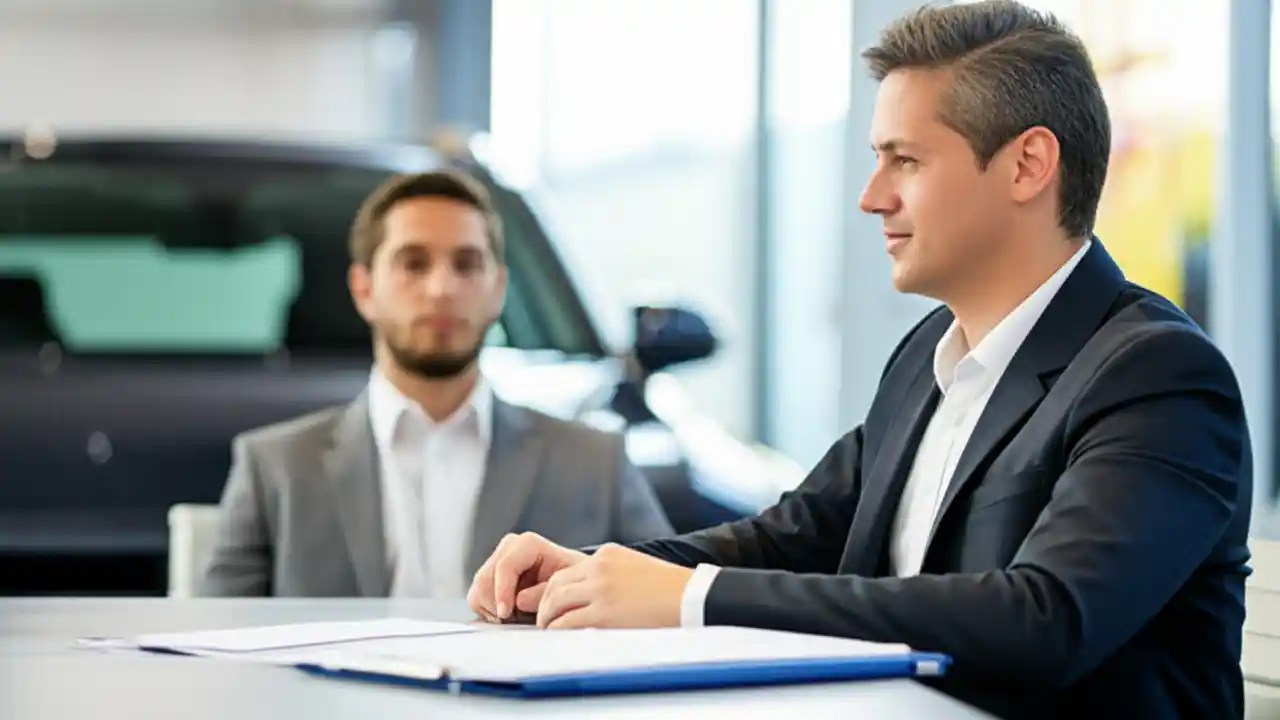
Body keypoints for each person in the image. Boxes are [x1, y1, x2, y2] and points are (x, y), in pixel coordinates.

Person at [466, 2, 1253, 717]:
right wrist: (592, 574)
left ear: (1027, 165)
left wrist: (693, 598)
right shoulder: (925, 359)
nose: (871, 195)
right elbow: (793, 536)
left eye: (906, 160)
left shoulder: (1159, 376)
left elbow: (1045, 621)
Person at [200, 170, 673, 599]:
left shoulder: (596, 465)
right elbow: (214, 647)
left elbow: (670, 619)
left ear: (497, 290)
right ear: (364, 289)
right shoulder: (274, 469)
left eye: (466, 265)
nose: (442, 288)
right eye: (413, 263)